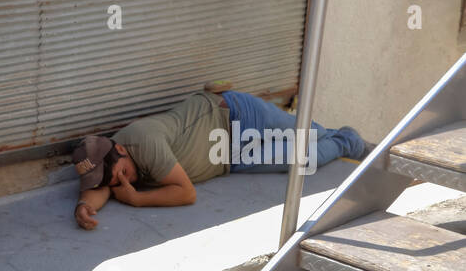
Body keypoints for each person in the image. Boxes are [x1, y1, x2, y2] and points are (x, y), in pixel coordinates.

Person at [72, 87, 368, 230]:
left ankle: (350, 141)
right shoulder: (113, 165)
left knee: (307, 130)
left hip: (236, 114)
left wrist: (137, 199)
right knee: (302, 160)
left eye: (121, 173)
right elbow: (100, 187)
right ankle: (348, 141)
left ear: (120, 149)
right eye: (114, 182)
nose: (122, 181)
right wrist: (84, 206)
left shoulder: (144, 140)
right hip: (228, 156)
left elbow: (186, 194)